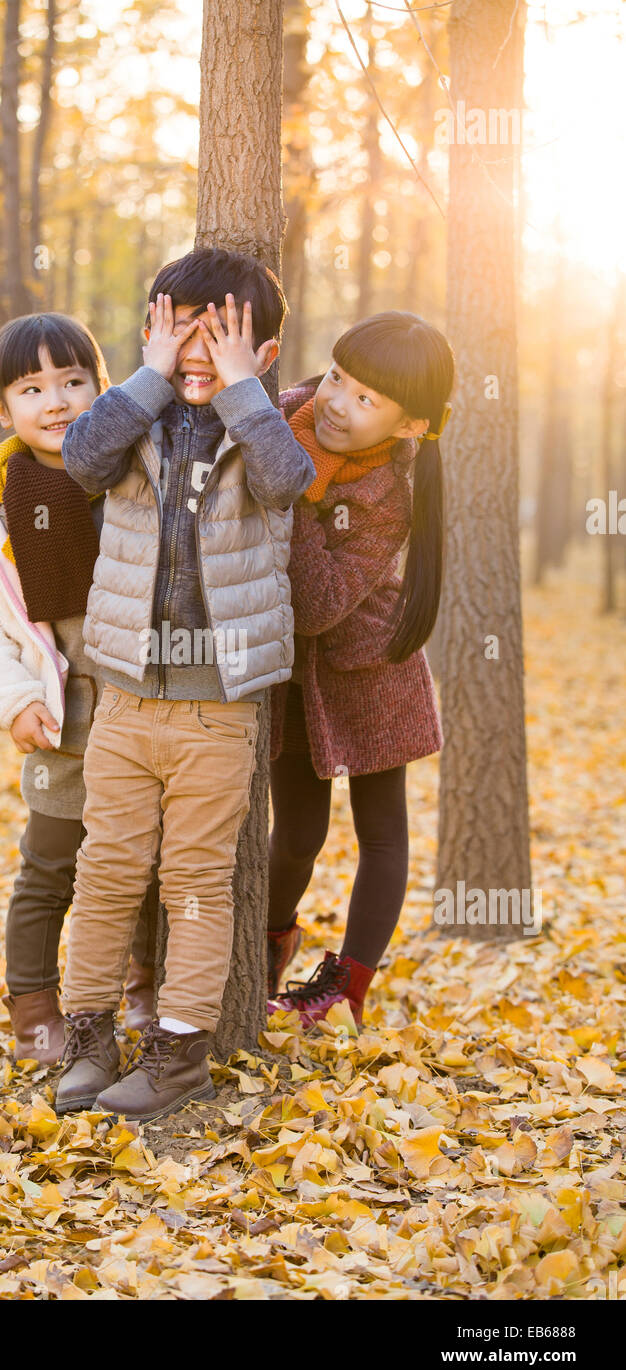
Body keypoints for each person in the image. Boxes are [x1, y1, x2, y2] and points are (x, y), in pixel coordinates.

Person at [53, 247, 316, 1122]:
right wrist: (151, 378)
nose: (199, 357)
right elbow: (82, 461)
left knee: (197, 882)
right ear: (152, 338)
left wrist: (241, 390)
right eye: (182, 339)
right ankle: (87, 1035)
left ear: (264, 356)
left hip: (218, 706)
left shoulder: (267, 427)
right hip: (125, 695)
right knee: (107, 874)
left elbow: (288, 483)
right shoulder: (133, 420)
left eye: (223, 344)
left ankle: (178, 1055)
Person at [0, 312, 155, 1068]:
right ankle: (33, 1008)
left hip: (143, 708)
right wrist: (13, 701)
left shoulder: (132, 478)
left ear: (104, 388)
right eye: (33, 388)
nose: (56, 401)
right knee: (50, 865)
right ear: (3, 408)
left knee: (148, 860)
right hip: (63, 718)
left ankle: (145, 986)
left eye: (73, 381)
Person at [267, 310, 454, 1029]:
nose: (339, 403)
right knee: (297, 834)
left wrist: (296, 489)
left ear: (409, 426)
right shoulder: (289, 412)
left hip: (372, 668)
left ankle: (346, 983)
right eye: (340, 378)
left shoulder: (389, 501)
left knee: (382, 831)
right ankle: (270, 938)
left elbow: (316, 605)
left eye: (367, 399)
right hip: (294, 680)